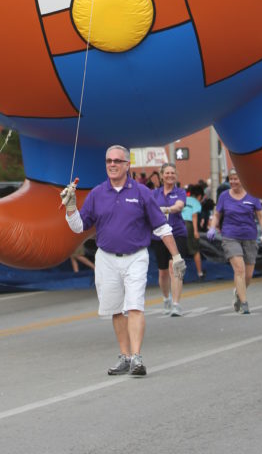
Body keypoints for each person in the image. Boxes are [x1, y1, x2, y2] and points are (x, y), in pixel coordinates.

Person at [61, 145, 185, 378]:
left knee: (135, 306)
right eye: (109, 160)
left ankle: (137, 358)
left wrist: (176, 256)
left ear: (128, 165)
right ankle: (125, 356)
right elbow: (79, 226)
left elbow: (161, 226)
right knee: (116, 310)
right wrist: (70, 206)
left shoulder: (142, 192)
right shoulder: (97, 193)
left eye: (118, 161)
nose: (112, 164)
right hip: (106, 259)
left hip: (136, 257)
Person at [207, 168, 262, 315]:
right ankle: (244, 303)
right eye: (231, 179)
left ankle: (238, 292)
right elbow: (217, 214)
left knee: (248, 276)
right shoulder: (224, 196)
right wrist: (212, 228)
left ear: (243, 179)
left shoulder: (252, 195)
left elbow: (260, 215)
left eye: (236, 178)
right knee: (239, 270)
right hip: (230, 236)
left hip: (249, 237)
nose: (233, 181)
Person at [151, 163, 190, 315]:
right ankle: (166, 298)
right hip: (159, 235)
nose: (170, 176)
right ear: (161, 175)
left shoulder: (180, 192)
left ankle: (176, 304)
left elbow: (179, 206)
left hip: (177, 233)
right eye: (167, 173)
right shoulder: (154, 194)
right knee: (163, 272)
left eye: (172, 173)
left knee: (175, 268)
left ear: (176, 176)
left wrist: (166, 209)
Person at [181, 184, 204, 281]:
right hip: (188, 225)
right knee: (195, 250)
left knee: (178, 251)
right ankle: (200, 273)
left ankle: (179, 276)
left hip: (179, 224)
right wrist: (195, 231)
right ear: (199, 196)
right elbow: (194, 216)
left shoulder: (184, 199)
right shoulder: (196, 203)